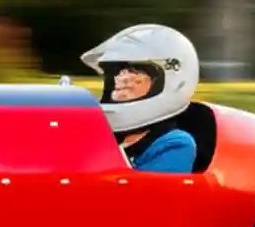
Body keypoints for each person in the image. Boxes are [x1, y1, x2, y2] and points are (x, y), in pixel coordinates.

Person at [79, 24, 200, 173]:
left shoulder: (176, 144)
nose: (119, 78)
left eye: (133, 70)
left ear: (169, 81)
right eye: (118, 71)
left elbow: (144, 193)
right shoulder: (107, 133)